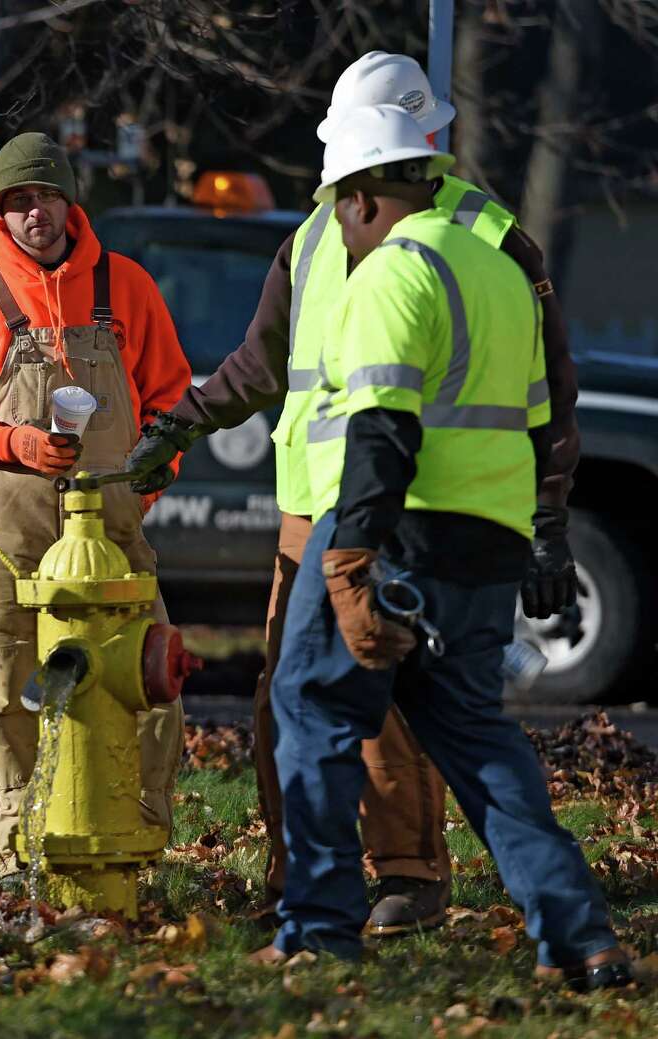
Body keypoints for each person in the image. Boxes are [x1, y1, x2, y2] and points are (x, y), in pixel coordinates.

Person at [125, 51, 581, 934]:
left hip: (411, 508)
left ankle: (404, 878)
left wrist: (547, 517)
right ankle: (299, 880)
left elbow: (547, 395)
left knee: (386, 704)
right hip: (314, 509)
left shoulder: (484, 237)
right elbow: (264, 361)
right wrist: (183, 419)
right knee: (289, 702)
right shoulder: (314, 235)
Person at [247, 104, 630, 987]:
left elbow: (381, 428)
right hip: (484, 549)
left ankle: (317, 926)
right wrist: (545, 534)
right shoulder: (498, 271)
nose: (340, 226)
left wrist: (349, 557)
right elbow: (542, 420)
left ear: (364, 194)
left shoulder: (394, 271)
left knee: (311, 711)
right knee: (474, 735)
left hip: (396, 536)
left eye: (341, 204)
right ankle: (578, 935)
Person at [0, 132, 191, 877]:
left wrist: (147, 483)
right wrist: (12, 442)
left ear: (71, 202)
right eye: (19, 201)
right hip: (9, 534)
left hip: (115, 537)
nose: (36, 212)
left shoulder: (126, 286)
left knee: (152, 679)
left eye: (47, 196)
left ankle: (139, 839)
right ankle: (19, 853)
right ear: (2, 212)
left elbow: (169, 402)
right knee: (10, 692)